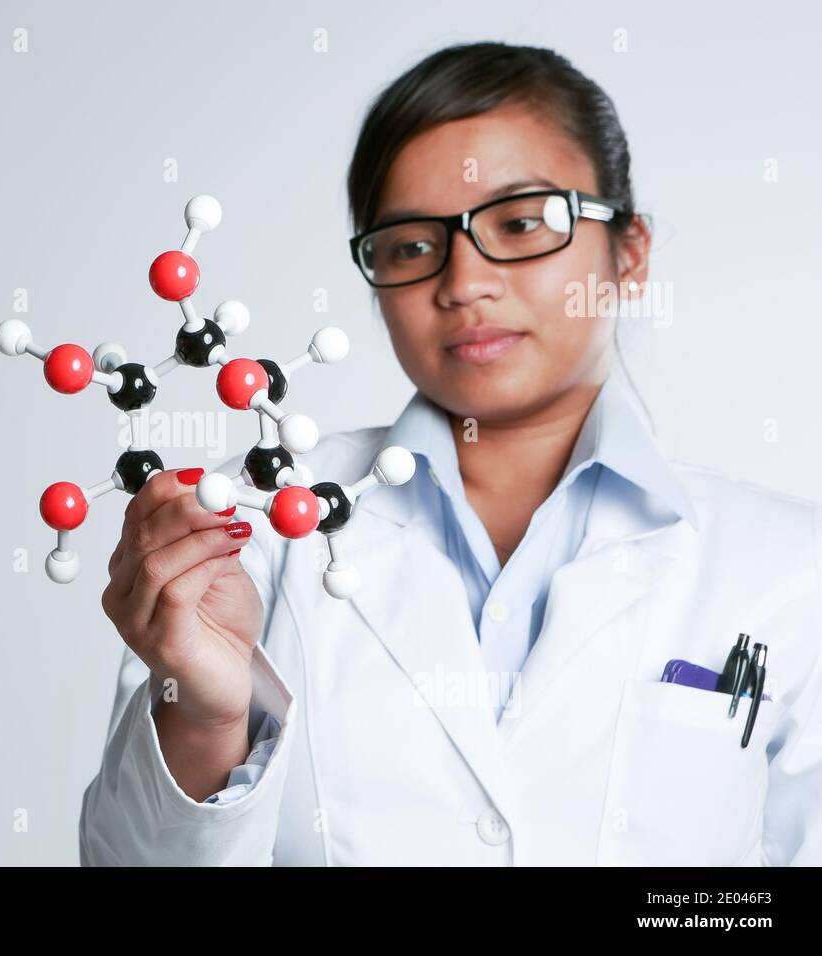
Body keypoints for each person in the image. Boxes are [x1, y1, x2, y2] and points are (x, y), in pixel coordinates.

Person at [78, 41, 822, 865]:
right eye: (410, 245)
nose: (464, 281)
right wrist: (206, 716)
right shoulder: (251, 529)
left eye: (521, 222)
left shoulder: (788, 570)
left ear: (630, 253)